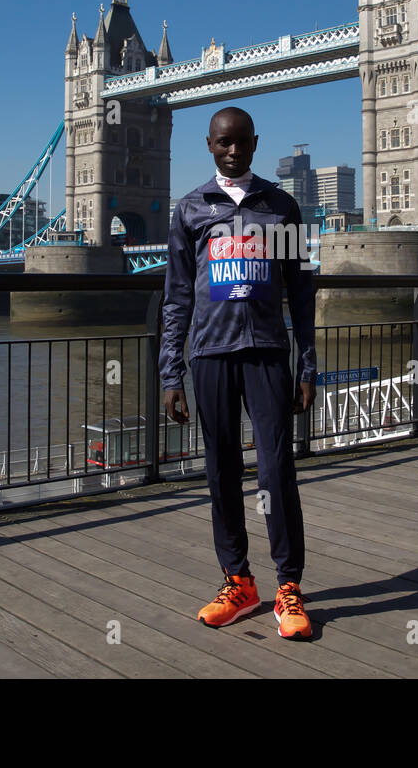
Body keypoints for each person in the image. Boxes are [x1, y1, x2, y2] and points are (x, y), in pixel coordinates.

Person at [159, 106, 317, 639]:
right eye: (223, 143)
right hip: (210, 355)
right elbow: (177, 298)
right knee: (221, 471)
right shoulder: (189, 210)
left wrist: (307, 364)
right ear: (209, 146)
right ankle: (239, 582)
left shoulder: (282, 208)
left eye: (241, 143)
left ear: (254, 143)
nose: (232, 151)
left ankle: (289, 587)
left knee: (276, 471)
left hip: (268, 352)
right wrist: (170, 374)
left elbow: (300, 292)